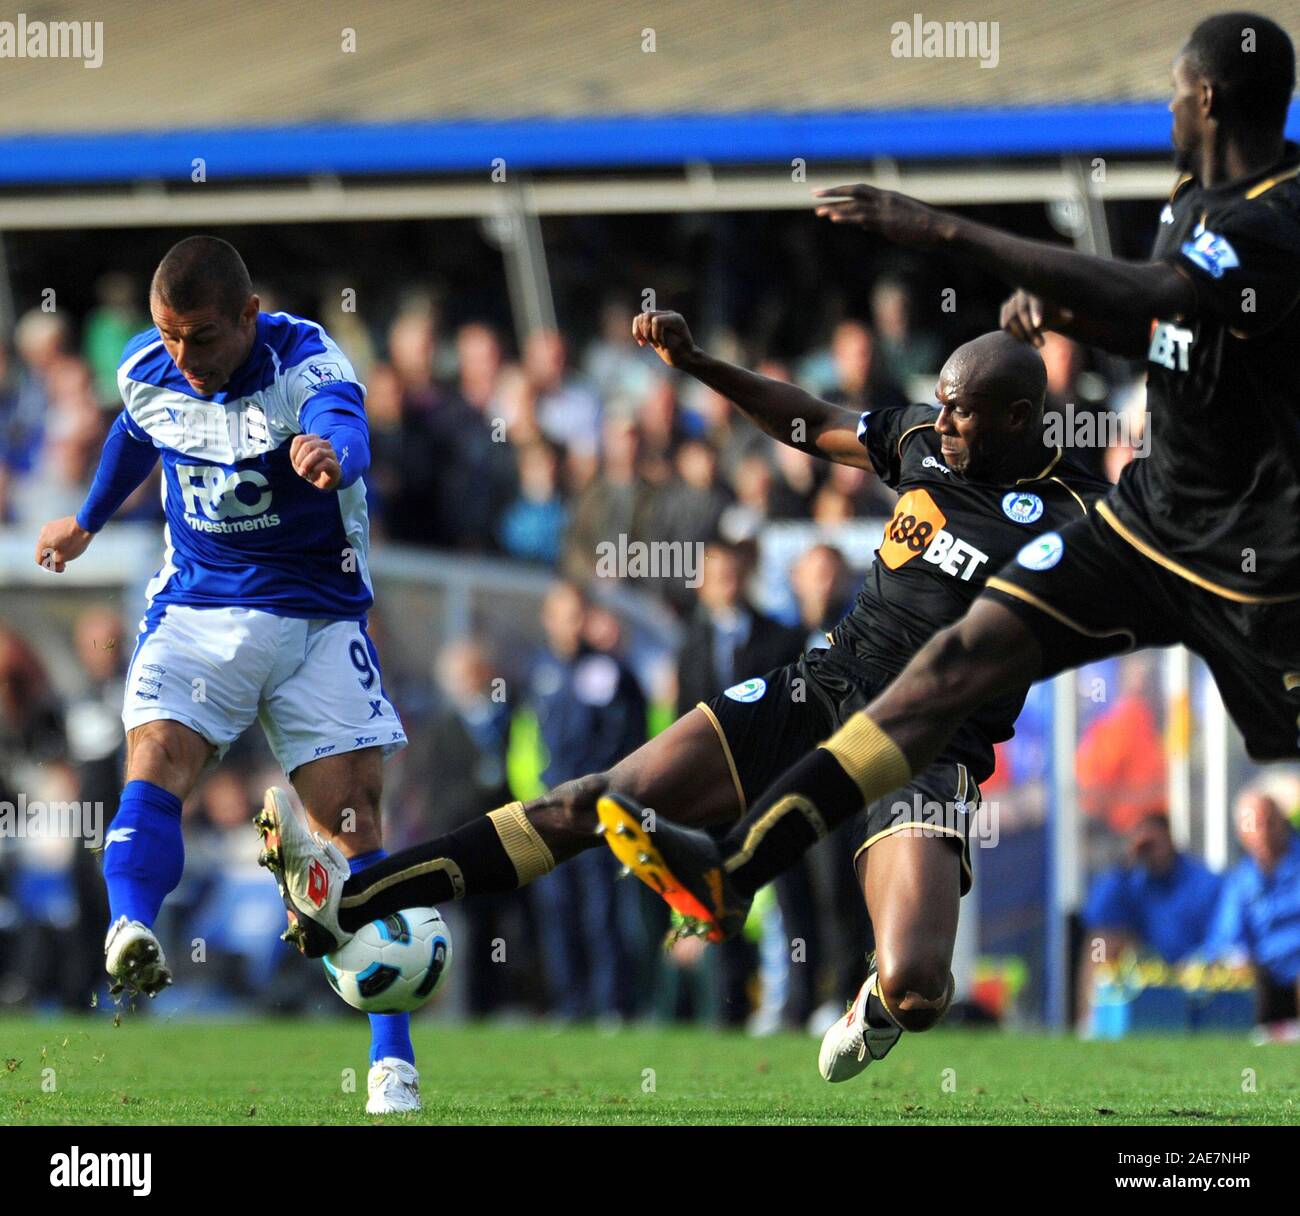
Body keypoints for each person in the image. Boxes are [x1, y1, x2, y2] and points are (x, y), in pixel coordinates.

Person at [583, 11, 1300, 1083]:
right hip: (1152, 521)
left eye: (1171, 87)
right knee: (951, 664)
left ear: (1204, 99)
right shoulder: (1182, 206)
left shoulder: (1276, 216)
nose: (1161, 102)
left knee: (920, 976)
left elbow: (1163, 299)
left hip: (1256, 561)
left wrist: (947, 233)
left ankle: (870, 972)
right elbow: (1165, 332)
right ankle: (733, 871)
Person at [260, 316, 1106, 1054]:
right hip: (826, 686)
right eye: (943, 402)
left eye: (963, 411)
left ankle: (872, 1000)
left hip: (928, 744)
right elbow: (811, 422)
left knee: (918, 986)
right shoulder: (924, 441)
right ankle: (359, 898)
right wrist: (699, 364)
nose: (943, 419)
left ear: (1022, 419)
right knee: (596, 800)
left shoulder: (1078, 517)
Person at [33, 236, 417, 1114]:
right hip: (199, 610)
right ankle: (131, 926)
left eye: (201, 336)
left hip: (317, 616)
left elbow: (346, 426)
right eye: (168, 334)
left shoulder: (306, 359)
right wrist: (89, 522)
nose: (182, 354)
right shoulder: (149, 368)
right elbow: (137, 431)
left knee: (354, 821)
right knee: (156, 756)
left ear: (249, 315)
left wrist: (330, 456)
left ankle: (391, 1059)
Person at [1202, 789, 1300, 1024]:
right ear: (1242, 833)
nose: (1264, 832)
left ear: (1283, 824)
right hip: (1264, 981)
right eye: (1255, 825)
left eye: (1270, 823)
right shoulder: (1241, 882)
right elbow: (1227, 938)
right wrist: (1238, 960)